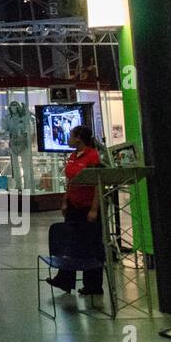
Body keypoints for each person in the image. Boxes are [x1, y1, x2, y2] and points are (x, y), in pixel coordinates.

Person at [47, 125, 104, 296]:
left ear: (79, 138)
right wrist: (65, 201)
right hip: (73, 206)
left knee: (90, 246)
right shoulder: (72, 156)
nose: (68, 139)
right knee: (69, 243)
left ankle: (93, 285)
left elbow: (98, 184)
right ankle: (65, 279)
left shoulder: (93, 156)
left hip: (87, 207)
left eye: (71, 136)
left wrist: (94, 209)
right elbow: (70, 181)